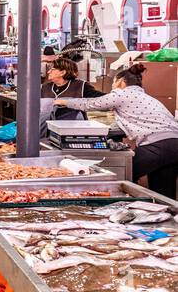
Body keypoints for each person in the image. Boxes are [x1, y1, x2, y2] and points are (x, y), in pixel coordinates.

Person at [56, 63, 178, 199]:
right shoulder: (150, 99)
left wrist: (62, 102)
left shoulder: (121, 94)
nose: (112, 86)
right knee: (163, 192)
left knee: (121, 177)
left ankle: (117, 211)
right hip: (175, 144)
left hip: (156, 146)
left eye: (113, 82)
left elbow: (91, 103)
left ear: (120, 81)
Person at [41, 56, 102, 122]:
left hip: (73, 128)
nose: (48, 72)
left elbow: (101, 99)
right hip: (47, 128)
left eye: (52, 69)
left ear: (62, 72)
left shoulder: (81, 86)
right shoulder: (45, 87)